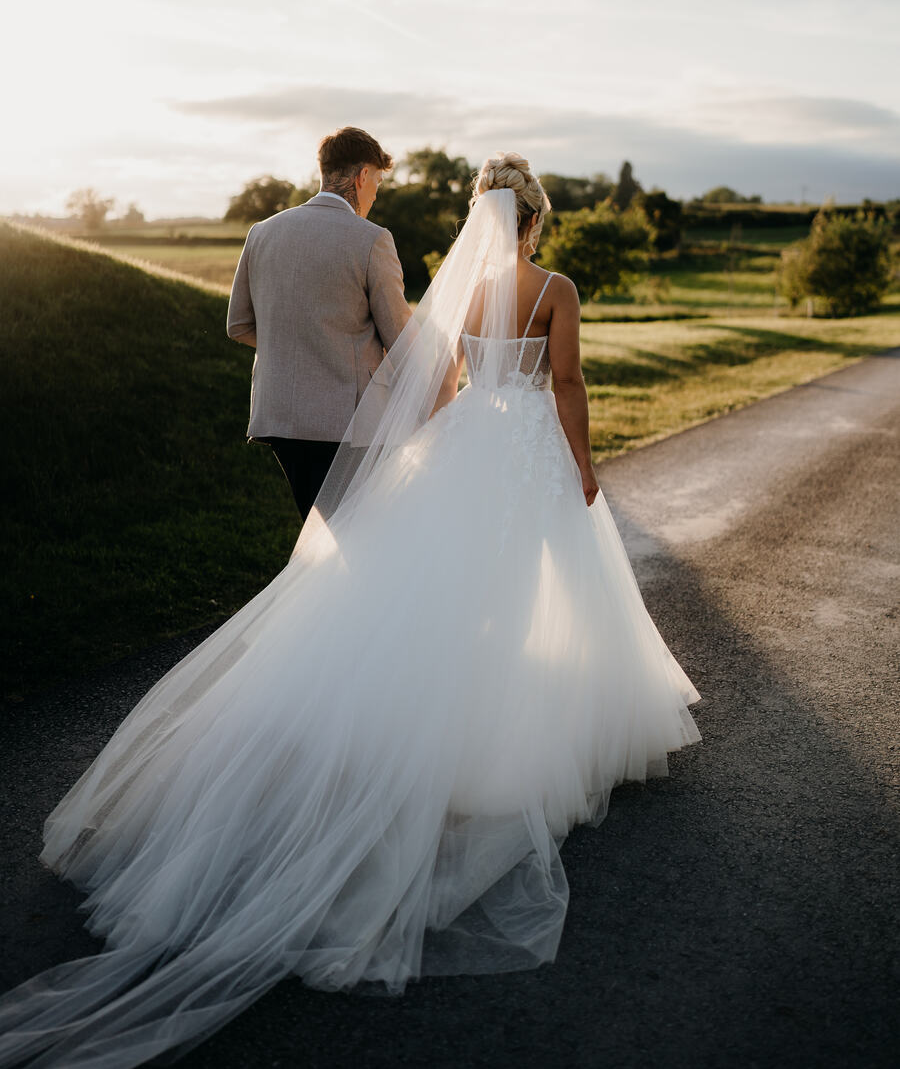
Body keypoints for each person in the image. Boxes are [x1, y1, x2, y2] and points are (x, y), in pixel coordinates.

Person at [0, 154, 700, 1069]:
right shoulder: (554, 287)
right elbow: (565, 385)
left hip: (474, 436)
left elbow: (443, 380)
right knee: (525, 589)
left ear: (483, 219)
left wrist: (444, 442)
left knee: (454, 592)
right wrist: (586, 463)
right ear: (534, 219)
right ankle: (499, 744)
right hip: (527, 442)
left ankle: (447, 718)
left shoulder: (469, 288)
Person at [226, 125, 411, 518]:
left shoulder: (262, 232)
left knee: (321, 534)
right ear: (363, 176)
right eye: (377, 181)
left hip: (278, 419)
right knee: (353, 539)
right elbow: (401, 339)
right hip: (347, 425)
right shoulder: (371, 239)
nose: (375, 194)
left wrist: (299, 344)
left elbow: (239, 325)